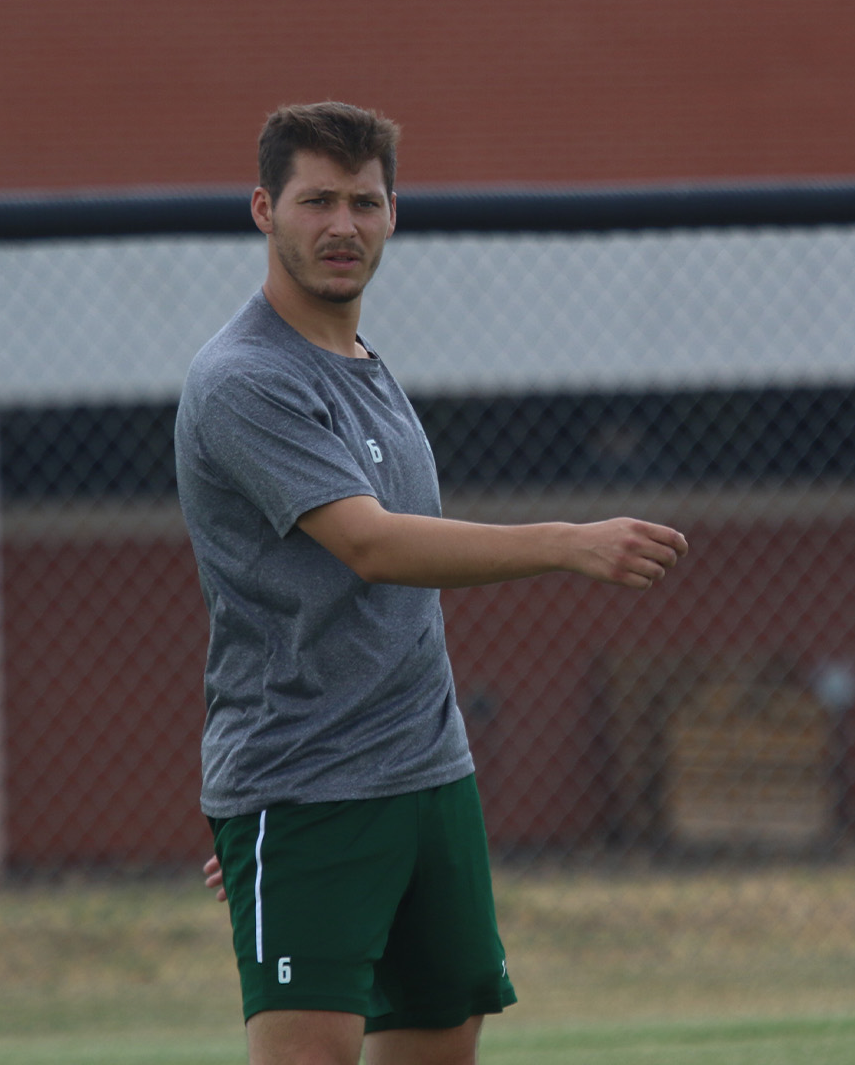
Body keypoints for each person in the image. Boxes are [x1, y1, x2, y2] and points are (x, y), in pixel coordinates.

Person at [176, 101, 688, 1065]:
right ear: (262, 210)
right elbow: (371, 547)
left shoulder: (364, 368)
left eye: (364, 203)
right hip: (309, 782)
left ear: (393, 216)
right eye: (316, 200)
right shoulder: (245, 377)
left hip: (428, 777)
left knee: (441, 1049)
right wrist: (568, 543)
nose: (342, 227)